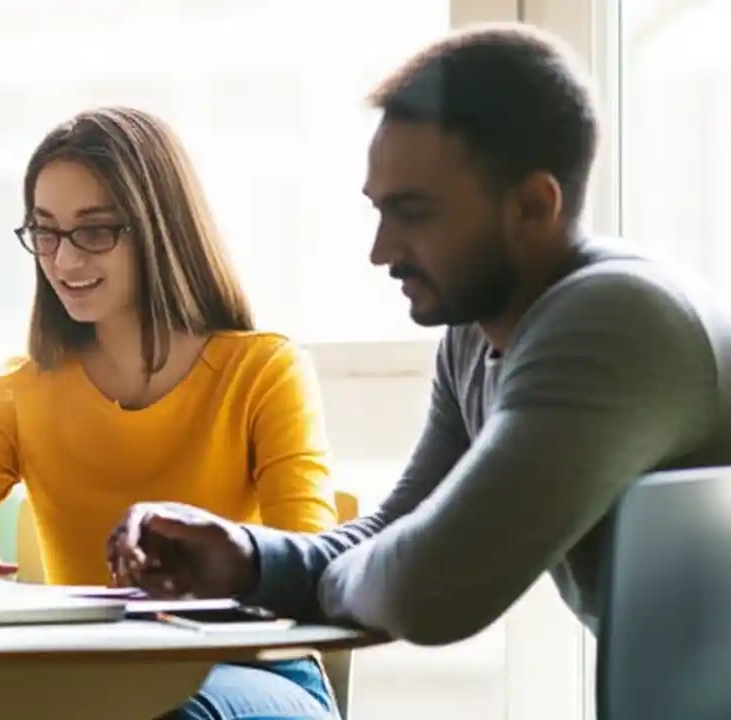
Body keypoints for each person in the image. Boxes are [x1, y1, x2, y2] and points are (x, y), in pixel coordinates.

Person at [107, 23, 731, 646]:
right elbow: (393, 539)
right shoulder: (474, 335)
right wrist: (247, 557)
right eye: (380, 210)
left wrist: (325, 579)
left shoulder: (616, 320)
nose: (382, 252)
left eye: (413, 213)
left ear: (534, 208)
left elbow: (426, 592)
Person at [0, 107, 341, 719]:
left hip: (254, 673)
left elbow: (309, 563)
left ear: (158, 229)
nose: (63, 262)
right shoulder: (21, 392)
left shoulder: (263, 371)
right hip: (94, 685)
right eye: (45, 232)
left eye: (94, 231)